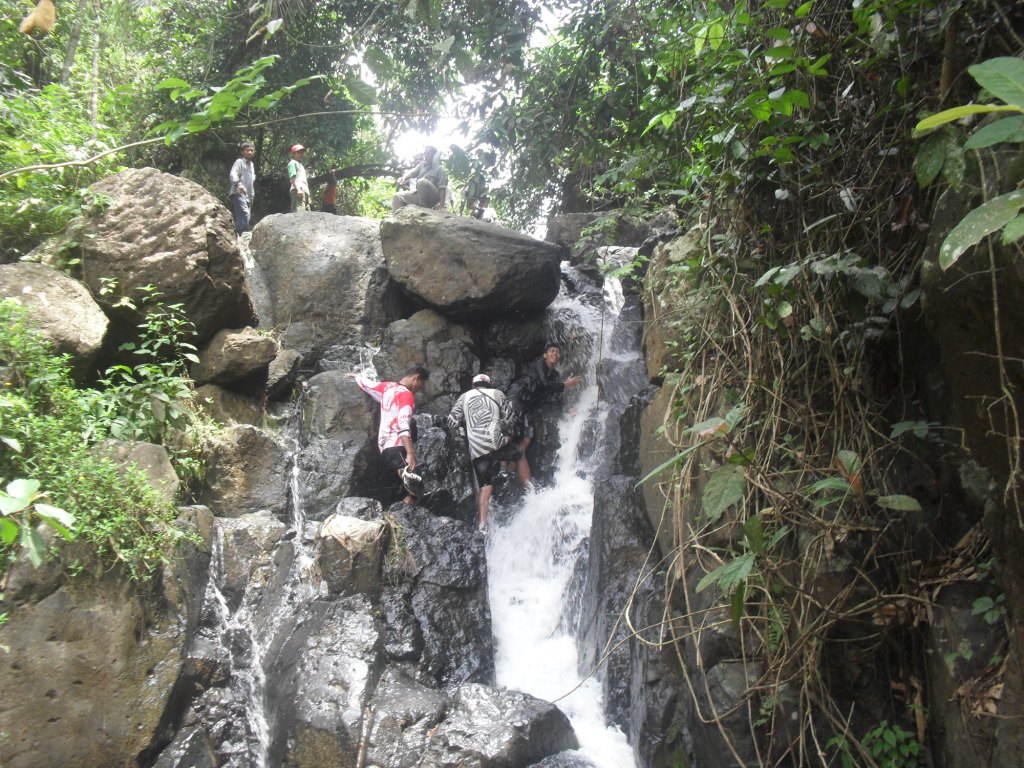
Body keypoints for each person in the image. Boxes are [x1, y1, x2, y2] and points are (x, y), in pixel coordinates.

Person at [447, 374, 522, 532]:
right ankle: (506, 473)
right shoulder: (497, 394)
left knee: (485, 486)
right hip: (496, 445)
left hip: (477, 450)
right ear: (489, 384)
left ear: (474, 385)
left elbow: (451, 420)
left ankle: (482, 524)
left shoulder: (464, 397)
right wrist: (502, 427)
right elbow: (510, 418)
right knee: (518, 453)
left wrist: (462, 431)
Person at [350, 364, 430, 505]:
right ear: (416, 378)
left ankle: (398, 515)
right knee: (416, 489)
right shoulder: (406, 395)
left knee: (403, 490)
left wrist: (356, 377)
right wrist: (410, 453)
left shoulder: (387, 388)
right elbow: (403, 425)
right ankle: (403, 515)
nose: (419, 389)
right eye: (421, 385)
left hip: (385, 449)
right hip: (397, 446)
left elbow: (369, 385)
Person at [505, 343, 582, 489]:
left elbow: (553, 397)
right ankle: (501, 468)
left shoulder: (555, 376)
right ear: (545, 355)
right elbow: (544, 383)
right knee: (510, 431)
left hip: (528, 406)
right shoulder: (539, 364)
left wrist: (565, 412)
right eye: (552, 351)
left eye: (558, 352)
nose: (555, 353)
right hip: (517, 397)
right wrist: (564, 385)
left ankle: (515, 475)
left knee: (527, 439)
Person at [392, 145, 447, 211]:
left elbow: (442, 189)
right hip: (420, 195)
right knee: (397, 196)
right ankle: (397, 219)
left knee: (422, 181)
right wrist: (403, 178)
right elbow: (411, 173)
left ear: (434, 155)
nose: (426, 155)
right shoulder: (421, 164)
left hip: (433, 197)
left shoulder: (439, 169)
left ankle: (423, 208)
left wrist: (442, 206)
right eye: (425, 153)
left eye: (428, 153)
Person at [228, 141, 256, 234]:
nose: (250, 152)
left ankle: (239, 236)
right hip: (238, 193)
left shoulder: (252, 165)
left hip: (248, 196)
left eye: (251, 150)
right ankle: (243, 236)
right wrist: (239, 184)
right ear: (243, 152)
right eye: (247, 150)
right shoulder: (239, 162)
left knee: (245, 218)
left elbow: (251, 182)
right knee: (244, 214)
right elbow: (233, 174)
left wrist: (252, 196)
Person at [287, 144, 310, 212]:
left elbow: (303, 181)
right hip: (298, 191)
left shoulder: (301, 165)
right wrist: (298, 190)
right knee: (298, 215)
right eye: (299, 152)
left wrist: (308, 195)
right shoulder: (292, 163)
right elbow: (292, 179)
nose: (301, 154)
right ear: (294, 154)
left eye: (302, 152)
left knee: (307, 216)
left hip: (304, 192)